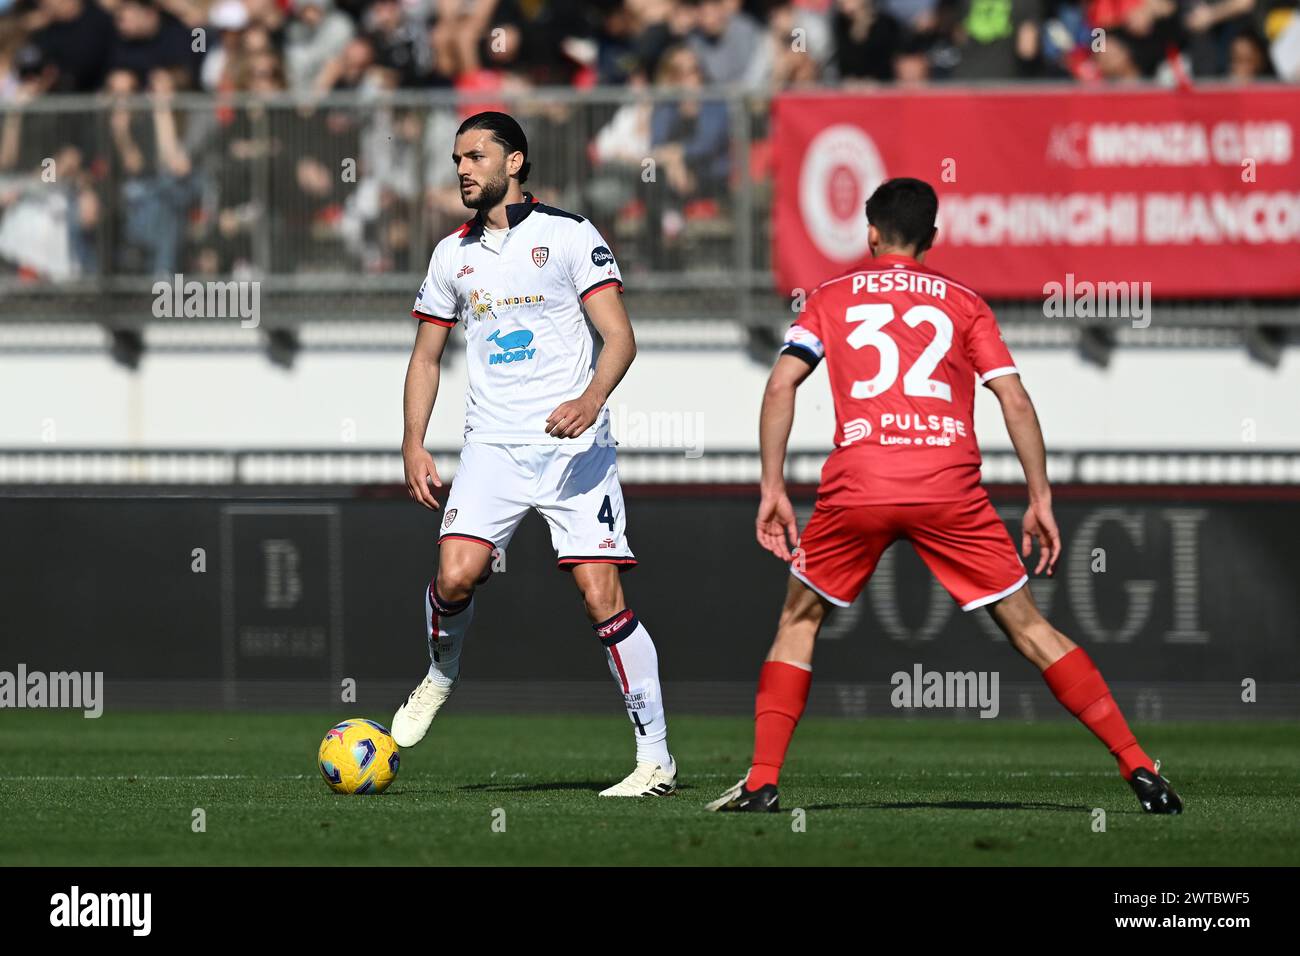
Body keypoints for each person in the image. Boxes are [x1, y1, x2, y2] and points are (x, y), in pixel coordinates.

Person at [707, 177, 1183, 815]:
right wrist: (1040, 497)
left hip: (861, 483)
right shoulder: (965, 303)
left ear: (870, 232)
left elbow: (780, 386)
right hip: (947, 486)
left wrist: (772, 487)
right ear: (933, 237)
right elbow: (1012, 397)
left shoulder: (829, 297)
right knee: (1030, 629)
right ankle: (1138, 766)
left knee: (799, 622)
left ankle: (763, 781)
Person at [393, 111, 677, 797]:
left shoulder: (570, 235)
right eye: (457, 157)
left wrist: (589, 400)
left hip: (573, 448)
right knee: (455, 575)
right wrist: (412, 440)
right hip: (491, 444)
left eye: (476, 156)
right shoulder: (449, 255)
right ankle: (440, 674)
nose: (463, 168)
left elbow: (620, 339)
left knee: (599, 594)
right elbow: (426, 357)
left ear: (513, 163)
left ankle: (656, 760)